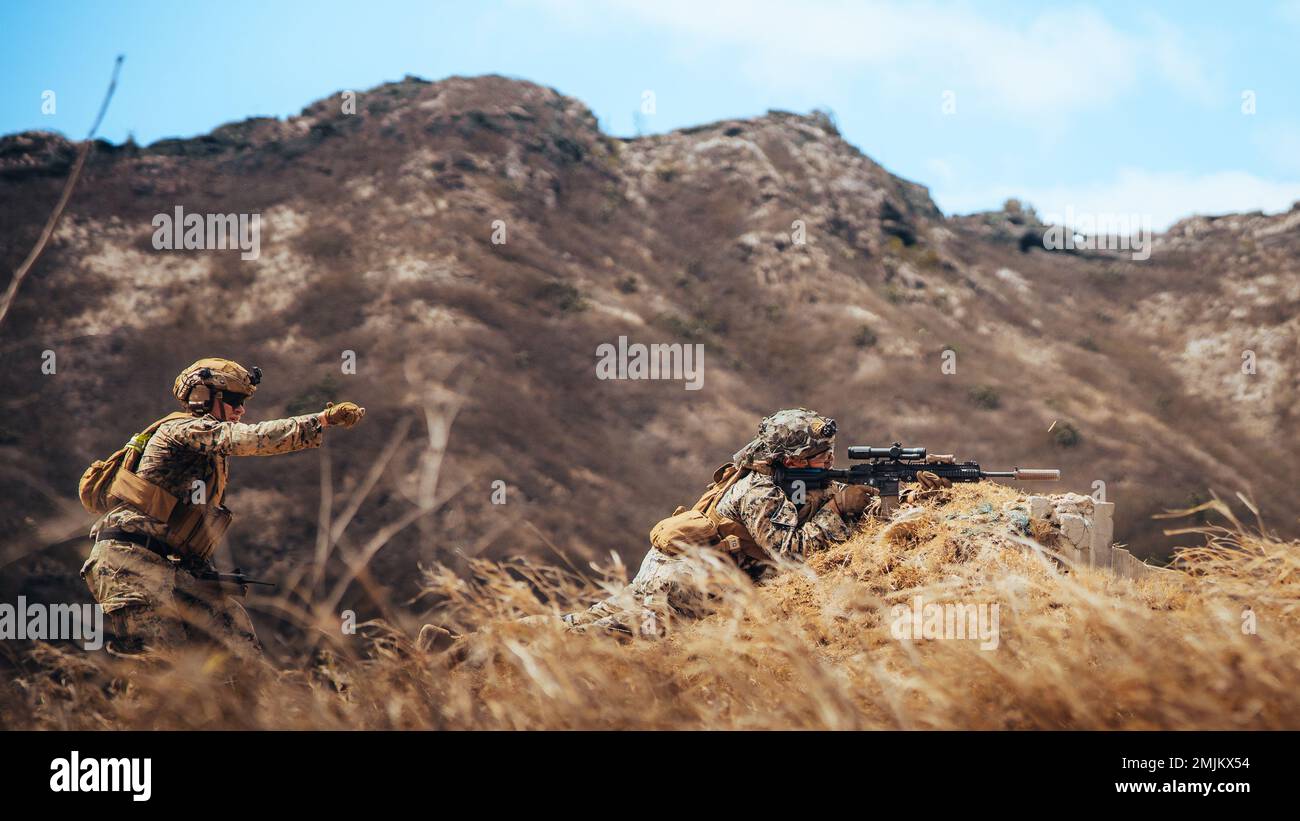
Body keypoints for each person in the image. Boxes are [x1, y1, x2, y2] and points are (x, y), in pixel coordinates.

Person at [81, 357, 365, 656]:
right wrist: (321, 420)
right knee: (166, 670)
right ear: (203, 398)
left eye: (242, 401)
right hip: (130, 564)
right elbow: (252, 439)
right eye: (233, 400)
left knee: (238, 647)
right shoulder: (183, 430)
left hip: (171, 567)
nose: (240, 410)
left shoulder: (206, 449)